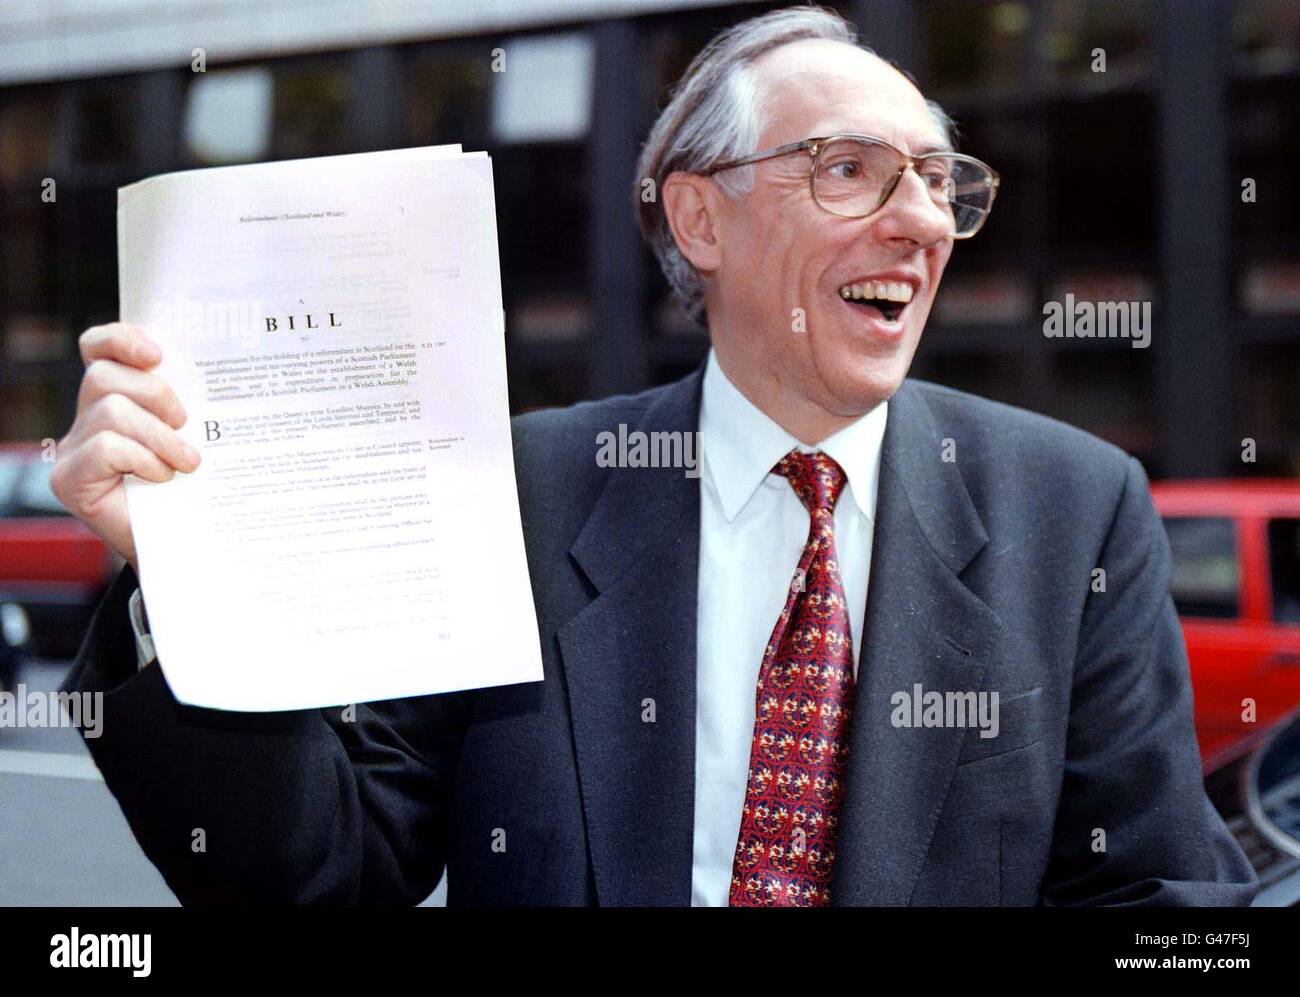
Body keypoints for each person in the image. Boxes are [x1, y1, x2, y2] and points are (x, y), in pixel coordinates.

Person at [54, 5, 1256, 906]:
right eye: (851, 171)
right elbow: (320, 868)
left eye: (938, 182)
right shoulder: (525, 491)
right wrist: (186, 567)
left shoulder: (1075, 507)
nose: (921, 220)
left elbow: (1153, 899)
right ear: (699, 218)